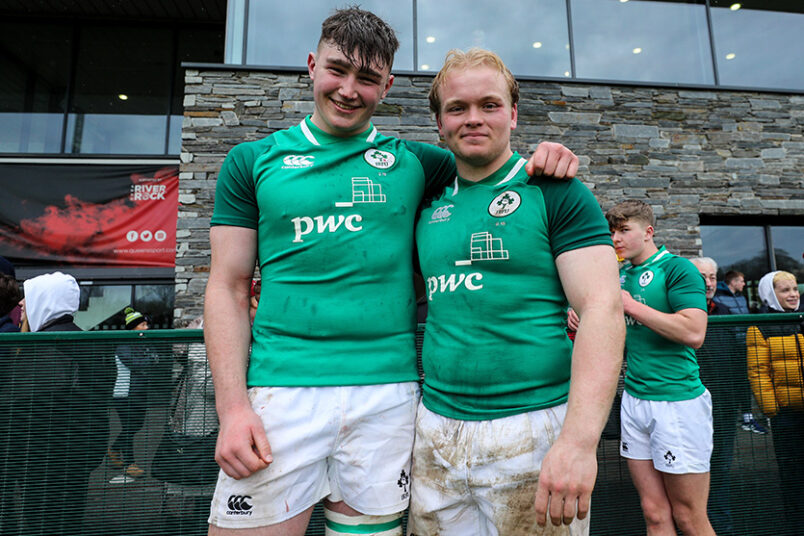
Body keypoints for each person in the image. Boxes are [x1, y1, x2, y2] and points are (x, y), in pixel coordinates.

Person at [204, 7, 581, 536]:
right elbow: (226, 286)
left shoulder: (421, 163)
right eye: (338, 70)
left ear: (388, 86)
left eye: (368, 78)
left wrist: (549, 154)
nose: (348, 89)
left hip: (390, 398)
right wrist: (232, 408)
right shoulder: (252, 161)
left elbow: (495, 161)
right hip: (279, 395)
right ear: (312, 65)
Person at [407, 48, 624, 535]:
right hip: (435, 427)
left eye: (490, 104)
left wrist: (578, 442)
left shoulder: (557, 190)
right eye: (457, 108)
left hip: (536, 426)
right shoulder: (425, 199)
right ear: (439, 124)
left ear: (513, 113)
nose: (474, 118)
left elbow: (602, 310)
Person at [608, 201, 714, 536]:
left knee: (688, 516)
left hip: (677, 401)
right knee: (654, 513)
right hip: (635, 399)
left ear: (648, 232)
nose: (616, 238)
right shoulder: (619, 274)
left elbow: (693, 333)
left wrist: (629, 305)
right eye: (612, 231)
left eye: (624, 230)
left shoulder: (677, 268)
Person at [0, 272, 114, 535]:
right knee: (68, 518)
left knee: (43, 522)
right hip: (80, 453)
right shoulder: (90, 343)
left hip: (41, 460)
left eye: (27, 298)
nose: (20, 304)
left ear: (44, 301)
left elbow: (17, 410)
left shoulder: (43, 349)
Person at [746, 270, 803, 536]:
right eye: (785, 290)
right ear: (771, 294)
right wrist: (773, 409)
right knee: (793, 474)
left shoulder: (802, 318)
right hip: (787, 414)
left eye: (795, 289)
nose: (793, 294)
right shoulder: (760, 324)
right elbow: (758, 371)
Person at [689, 257, 736, 536]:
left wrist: (740, 406)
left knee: (719, 474)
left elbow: (738, 360)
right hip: (688, 410)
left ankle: (722, 529)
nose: (708, 283)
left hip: (722, 410)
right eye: (701, 277)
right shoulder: (674, 313)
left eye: (712, 277)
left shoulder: (726, 313)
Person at [109, 306, 158, 482]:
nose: (146, 328)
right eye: (142, 325)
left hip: (139, 391)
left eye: (146, 324)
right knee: (130, 426)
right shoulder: (123, 345)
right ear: (133, 327)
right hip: (124, 393)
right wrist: (148, 360)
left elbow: (154, 358)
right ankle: (130, 463)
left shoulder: (142, 343)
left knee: (135, 425)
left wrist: (148, 360)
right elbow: (139, 364)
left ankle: (114, 449)